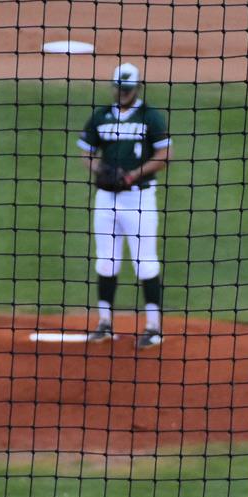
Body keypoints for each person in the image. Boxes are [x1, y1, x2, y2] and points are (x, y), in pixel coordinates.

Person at [76, 62, 171, 347]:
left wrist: (132, 175)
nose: (122, 93)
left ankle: (153, 327)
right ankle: (104, 322)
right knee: (106, 259)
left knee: (145, 262)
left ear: (137, 89)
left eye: (127, 89)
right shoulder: (100, 116)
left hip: (139, 198)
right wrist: (100, 170)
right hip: (106, 199)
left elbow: (165, 154)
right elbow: (87, 153)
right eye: (118, 88)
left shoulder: (150, 117)